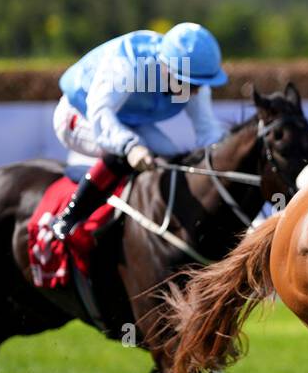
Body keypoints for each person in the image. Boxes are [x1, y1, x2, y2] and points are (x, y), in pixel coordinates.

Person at [42, 22, 229, 244]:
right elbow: (101, 112)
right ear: (166, 67)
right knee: (123, 151)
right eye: (190, 83)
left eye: (201, 84)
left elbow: (208, 133)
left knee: (173, 157)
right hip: (80, 114)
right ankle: (69, 216)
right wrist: (130, 147)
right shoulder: (127, 63)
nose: (197, 90)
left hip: (128, 120)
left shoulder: (190, 73)